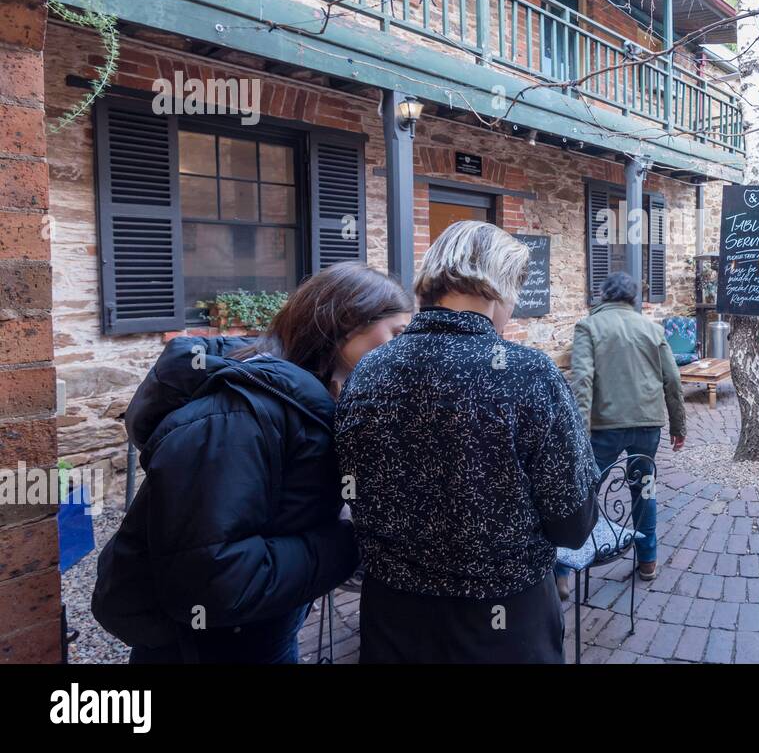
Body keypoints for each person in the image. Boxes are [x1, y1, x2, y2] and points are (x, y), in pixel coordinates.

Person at [92, 262, 413, 663]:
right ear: (348, 323)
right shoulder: (236, 415)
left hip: (262, 628)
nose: (403, 350)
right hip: (205, 649)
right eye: (397, 333)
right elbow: (216, 576)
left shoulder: (307, 396)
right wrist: (348, 542)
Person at [335, 221, 600, 663]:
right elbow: (572, 522)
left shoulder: (369, 369)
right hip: (503, 620)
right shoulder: (528, 374)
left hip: (393, 616)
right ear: (498, 288)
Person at [555, 271, 686, 597]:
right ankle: (648, 561)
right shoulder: (652, 329)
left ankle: (563, 571)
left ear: (603, 296)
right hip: (647, 425)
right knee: (644, 488)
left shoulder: (589, 327)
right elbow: (672, 381)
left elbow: (582, 382)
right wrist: (678, 425)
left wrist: (580, 434)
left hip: (603, 427)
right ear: (633, 298)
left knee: (581, 491)